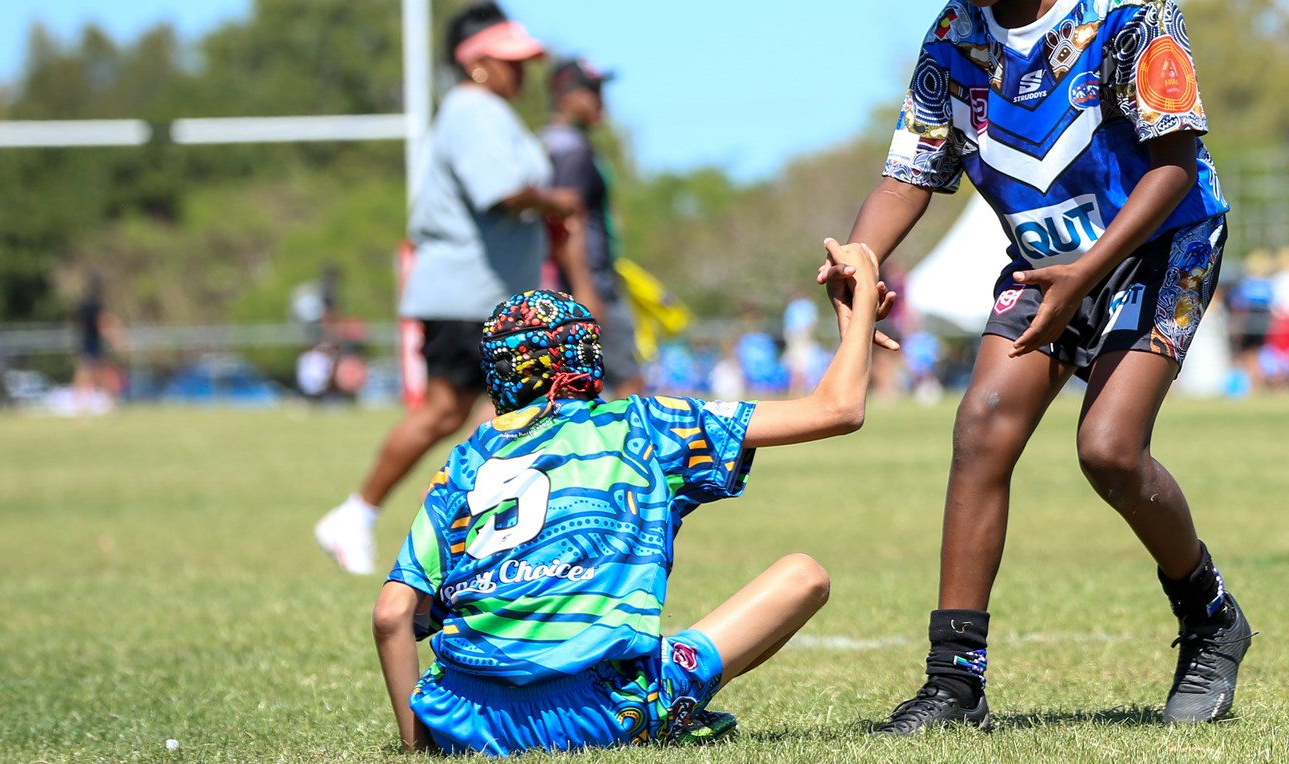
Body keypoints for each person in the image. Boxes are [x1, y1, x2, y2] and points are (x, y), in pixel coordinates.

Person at [818, 0, 1253, 733]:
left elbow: (1176, 167)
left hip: (1164, 243)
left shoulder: (1131, 15)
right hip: (1047, 258)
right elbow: (908, 174)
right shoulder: (954, 35)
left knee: (1109, 449)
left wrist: (1086, 275)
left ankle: (1211, 619)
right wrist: (860, 259)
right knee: (982, 424)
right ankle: (955, 684)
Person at [372, 240, 886, 755]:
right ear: (586, 354)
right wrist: (861, 305)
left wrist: (419, 748)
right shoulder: (642, 424)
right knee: (802, 576)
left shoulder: (465, 461)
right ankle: (673, 708)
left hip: (467, 717)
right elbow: (837, 410)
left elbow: (393, 613)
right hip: (604, 710)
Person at [315, 1, 581, 575]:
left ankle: (436, 519)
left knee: (491, 413)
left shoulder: (490, 112)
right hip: (466, 295)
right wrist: (558, 201)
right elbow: (503, 190)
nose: (522, 71)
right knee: (456, 412)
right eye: (510, 61)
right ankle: (364, 516)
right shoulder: (471, 109)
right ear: (475, 62)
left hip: (483, 294)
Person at [542, 58, 645, 400]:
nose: (600, 101)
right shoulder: (570, 150)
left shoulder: (558, 143)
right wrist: (585, 289)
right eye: (590, 92)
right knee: (630, 388)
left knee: (561, 389)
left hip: (575, 283)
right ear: (563, 96)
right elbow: (566, 220)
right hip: (586, 283)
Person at [72, 273, 125, 416]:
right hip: (92, 345)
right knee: (94, 376)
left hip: (86, 345)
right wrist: (115, 340)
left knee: (89, 377)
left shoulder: (84, 305)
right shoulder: (95, 306)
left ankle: (86, 408)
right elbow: (104, 323)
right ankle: (103, 406)